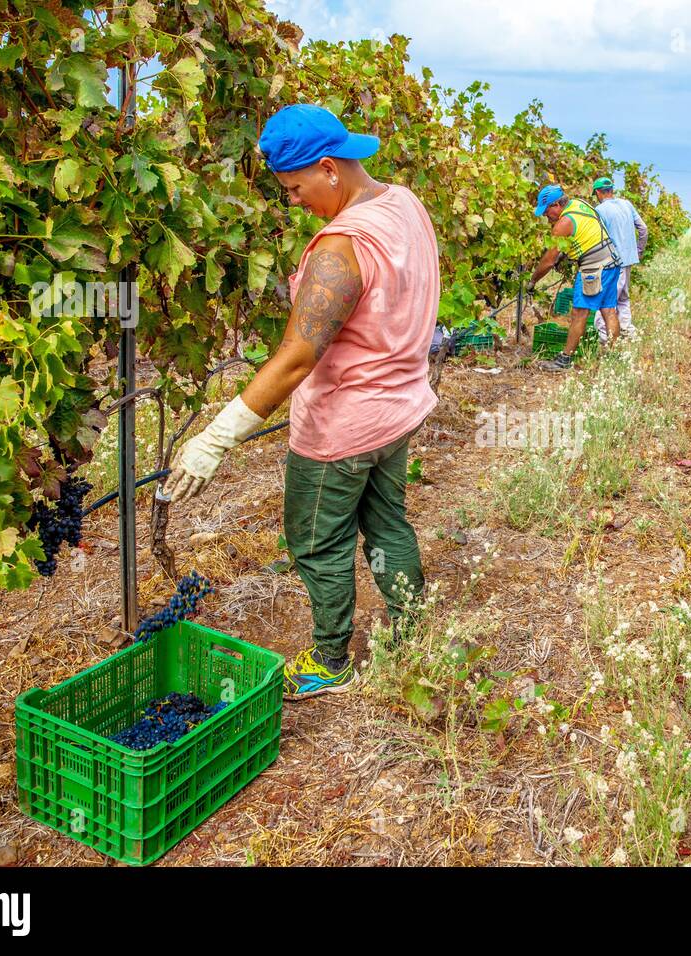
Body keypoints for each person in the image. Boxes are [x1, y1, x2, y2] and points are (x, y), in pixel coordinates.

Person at [162, 104, 440, 701]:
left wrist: (216, 437)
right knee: (388, 523)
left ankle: (331, 659)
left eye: (293, 188)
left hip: (341, 427)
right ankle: (414, 630)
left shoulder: (342, 247)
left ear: (327, 168)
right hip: (398, 409)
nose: (291, 201)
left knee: (318, 541)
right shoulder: (404, 204)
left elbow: (295, 357)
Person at [525, 184, 622, 372]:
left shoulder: (564, 223)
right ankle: (613, 356)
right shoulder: (579, 204)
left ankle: (565, 360)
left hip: (594, 268)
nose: (546, 217)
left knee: (579, 313)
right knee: (608, 310)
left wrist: (533, 280)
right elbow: (585, 234)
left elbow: (548, 261)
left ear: (555, 205)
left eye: (546, 212)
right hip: (611, 261)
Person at [592, 176, 648, 342]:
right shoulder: (626, 204)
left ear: (597, 192)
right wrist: (638, 250)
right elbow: (643, 229)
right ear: (612, 190)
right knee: (623, 298)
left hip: (612, 263)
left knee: (605, 301)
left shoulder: (600, 210)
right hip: (629, 259)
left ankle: (604, 338)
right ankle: (627, 332)